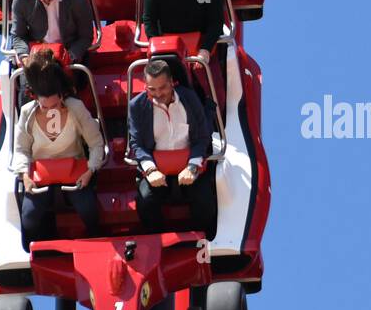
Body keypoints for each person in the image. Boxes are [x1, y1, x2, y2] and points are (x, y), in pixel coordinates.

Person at [12, 50, 106, 250]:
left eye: (55, 105)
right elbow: (20, 149)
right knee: (29, 218)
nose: (50, 110)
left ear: (62, 96)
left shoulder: (75, 107)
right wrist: (24, 176)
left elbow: (96, 143)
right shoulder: (28, 113)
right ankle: (41, 250)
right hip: (40, 175)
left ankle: (95, 243)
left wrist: (91, 170)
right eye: (45, 107)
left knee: (89, 211)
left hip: (75, 171)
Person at [128, 59, 217, 237]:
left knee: (205, 199)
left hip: (189, 164)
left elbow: (202, 137)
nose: (158, 94)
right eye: (152, 89)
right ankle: (156, 238)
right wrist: (151, 170)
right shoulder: (137, 106)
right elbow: (136, 144)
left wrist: (192, 167)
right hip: (157, 168)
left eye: (162, 88)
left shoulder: (189, 99)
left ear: (171, 83)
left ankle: (201, 238)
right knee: (145, 200)